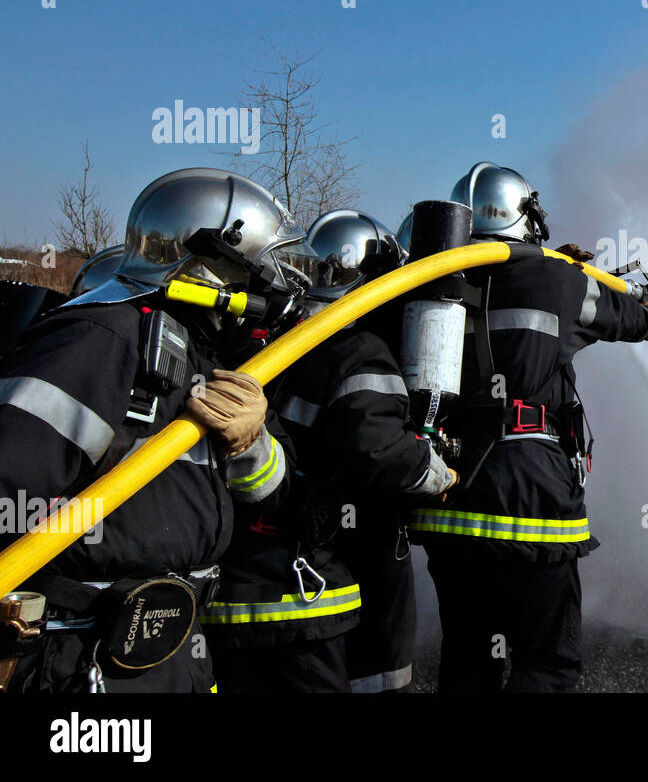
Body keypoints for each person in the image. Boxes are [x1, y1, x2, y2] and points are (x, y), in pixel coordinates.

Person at [0, 168, 305, 693]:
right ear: (212, 264)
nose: (272, 289)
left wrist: (252, 444)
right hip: (81, 658)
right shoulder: (100, 341)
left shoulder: (213, 361)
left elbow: (282, 497)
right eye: (260, 270)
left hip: (172, 651)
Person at [409, 161, 648, 692]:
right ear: (527, 213)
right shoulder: (557, 278)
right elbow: (637, 322)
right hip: (530, 497)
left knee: (467, 658)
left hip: (447, 491)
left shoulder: (428, 278)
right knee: (547, 662)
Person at [202, 209, 457, 692]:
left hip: (232, 576)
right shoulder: (358, 349)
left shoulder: (279, 335)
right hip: (303, 588)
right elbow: (379, 450)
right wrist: (438, 473)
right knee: (372, 674)